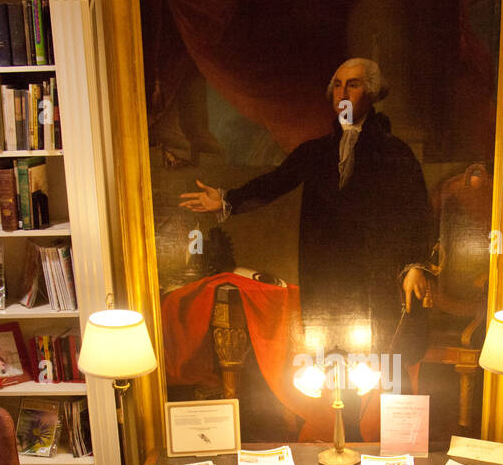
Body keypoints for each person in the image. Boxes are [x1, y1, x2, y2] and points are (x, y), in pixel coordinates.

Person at [180, 58, 435, 364]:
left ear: (373, 92)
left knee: (376, 365)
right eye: (337, 85)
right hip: (324, 277)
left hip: (372, 280)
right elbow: (274, 183)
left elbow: (416, 212)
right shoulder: (316, 151)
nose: (342, 93)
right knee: (331, 364)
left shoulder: (395, 152)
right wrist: (225, 200)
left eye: (352, 85)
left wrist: (415, 265)